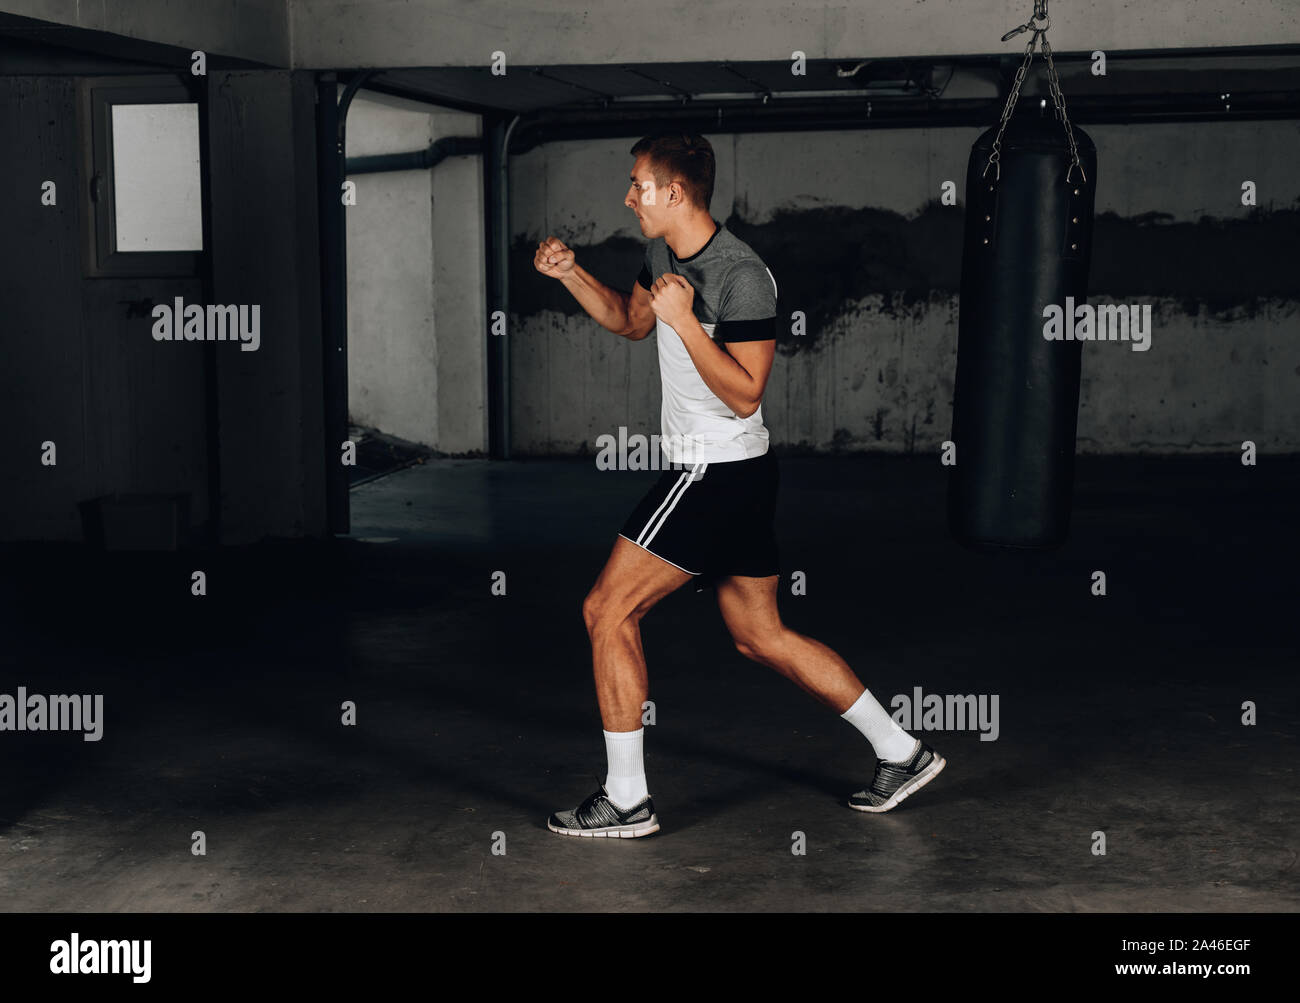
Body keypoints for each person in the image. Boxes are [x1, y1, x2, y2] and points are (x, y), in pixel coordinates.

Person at [533, 133, 944, 837]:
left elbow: (746, 392)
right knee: (761, 635)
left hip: (713, 472)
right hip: (736, 477)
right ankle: (901, 751)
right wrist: (571, 273)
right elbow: (634, 321)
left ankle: (627, 798)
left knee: (606, 610)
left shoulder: (741, 276)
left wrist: (687, 322)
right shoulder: (662, 251)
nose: (629, 196)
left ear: (677, 193)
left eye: (639, 185)